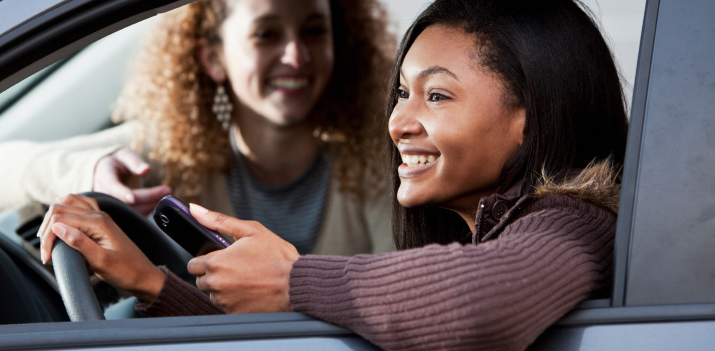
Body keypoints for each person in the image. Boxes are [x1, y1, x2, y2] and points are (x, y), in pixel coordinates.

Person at [37, 0, 629, 349]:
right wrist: (151, 285)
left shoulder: (576, 221)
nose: (398, 121)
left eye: (438, 96)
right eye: (401, 93)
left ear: (531, 117)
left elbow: (483, 303)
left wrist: (293, 280)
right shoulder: (486, 232)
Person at [0, 0, 396, 255]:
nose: (296, 56)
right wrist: (92, 172)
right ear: (213, 58)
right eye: (267, 34)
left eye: (315, 31)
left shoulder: (377, 167)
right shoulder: (169, 160)